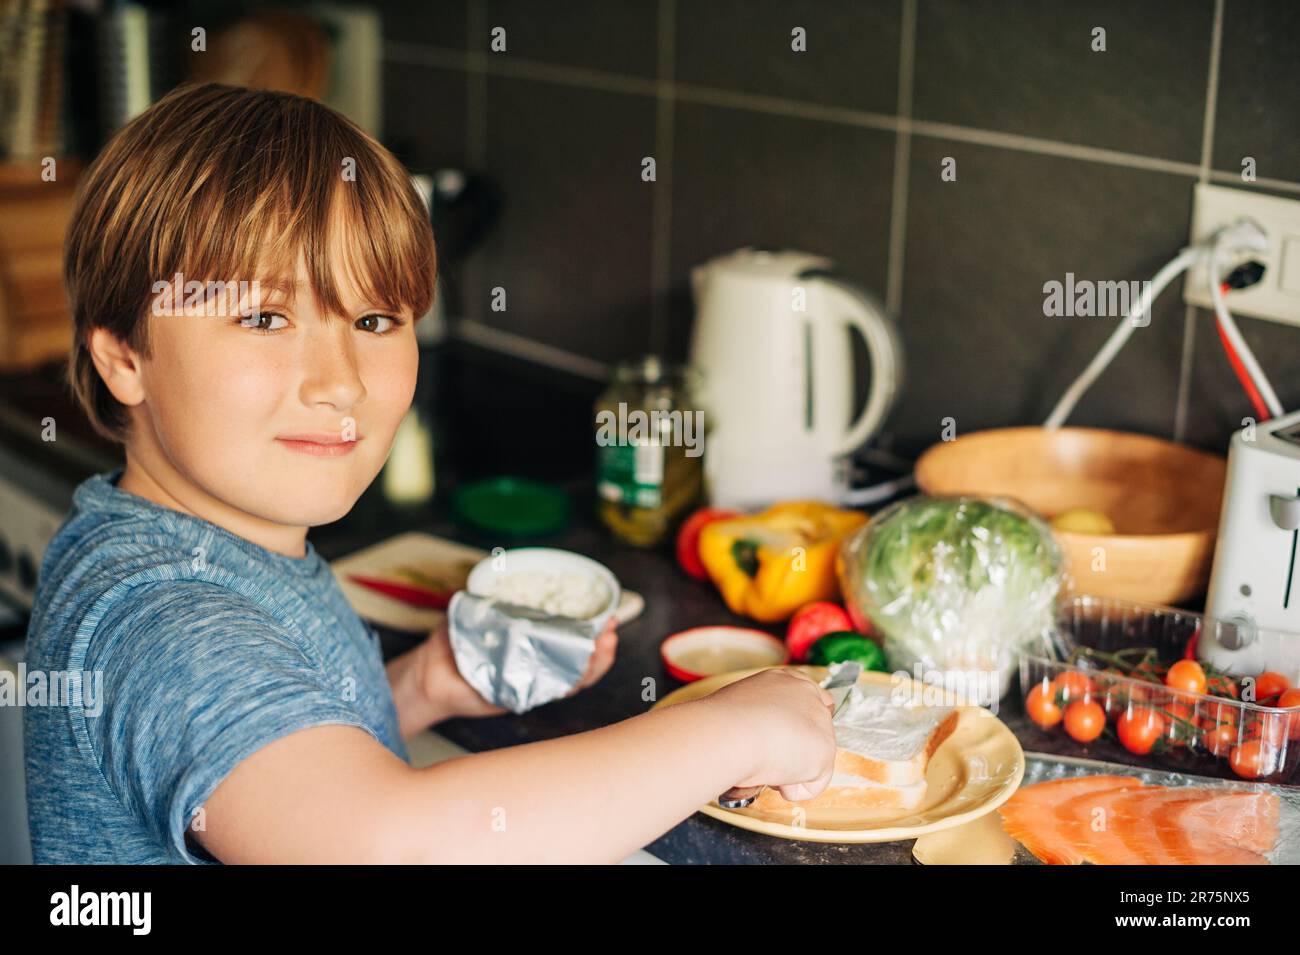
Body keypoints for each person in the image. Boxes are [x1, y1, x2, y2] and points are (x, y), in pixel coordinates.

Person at [23, 83, 837, 864]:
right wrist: (737, 731)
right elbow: (388, 846)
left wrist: (421, 685)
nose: (339, 379)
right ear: (125, 357)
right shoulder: (165, 617)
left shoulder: (199, 546)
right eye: (265, 317)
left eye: (375, 318)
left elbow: (276, 761)